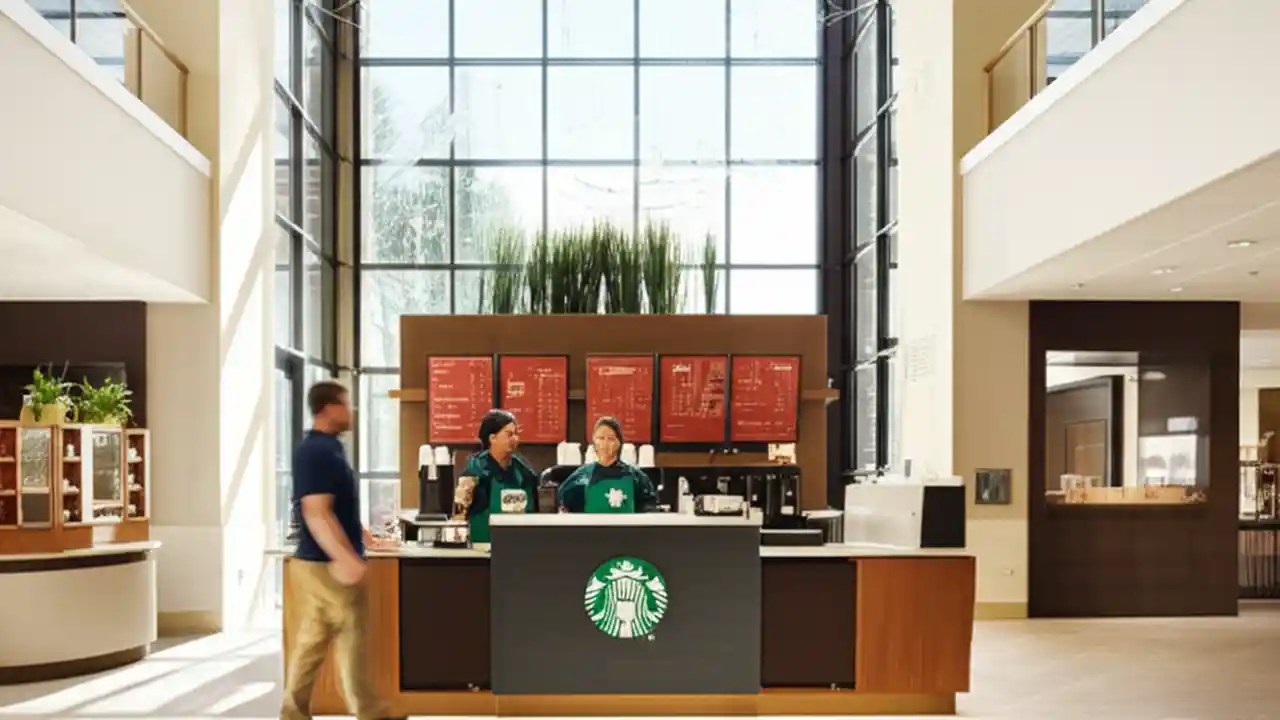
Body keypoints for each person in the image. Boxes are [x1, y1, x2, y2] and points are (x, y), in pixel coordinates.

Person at [281, 381, 400, 720]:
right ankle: (370, 712)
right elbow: (316, 511)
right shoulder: (317, 452)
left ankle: (293, 711)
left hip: (317, 563)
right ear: (328, 408)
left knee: (313, 641)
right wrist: (344, 558)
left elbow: (338, 506)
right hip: (326, 565)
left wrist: (366, 538)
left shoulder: (329, 448)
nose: (352, 411)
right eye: (346, 404)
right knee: (353, 636)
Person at [458, 409, 539, 544]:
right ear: (492, 438)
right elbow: (459, 516)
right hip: (482, 546)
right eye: (509, 434)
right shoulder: (474, 471)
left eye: (516, 434)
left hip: (518, 545)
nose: (515, 439)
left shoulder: (524, 472)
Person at [557, 416, 658, 513]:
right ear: (594, 442)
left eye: (611, 439)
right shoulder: (582, 477)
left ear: (619, 443)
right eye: (600, 438)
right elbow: (562, 503)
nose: (605, 444)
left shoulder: (636, 477)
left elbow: (649, 508)